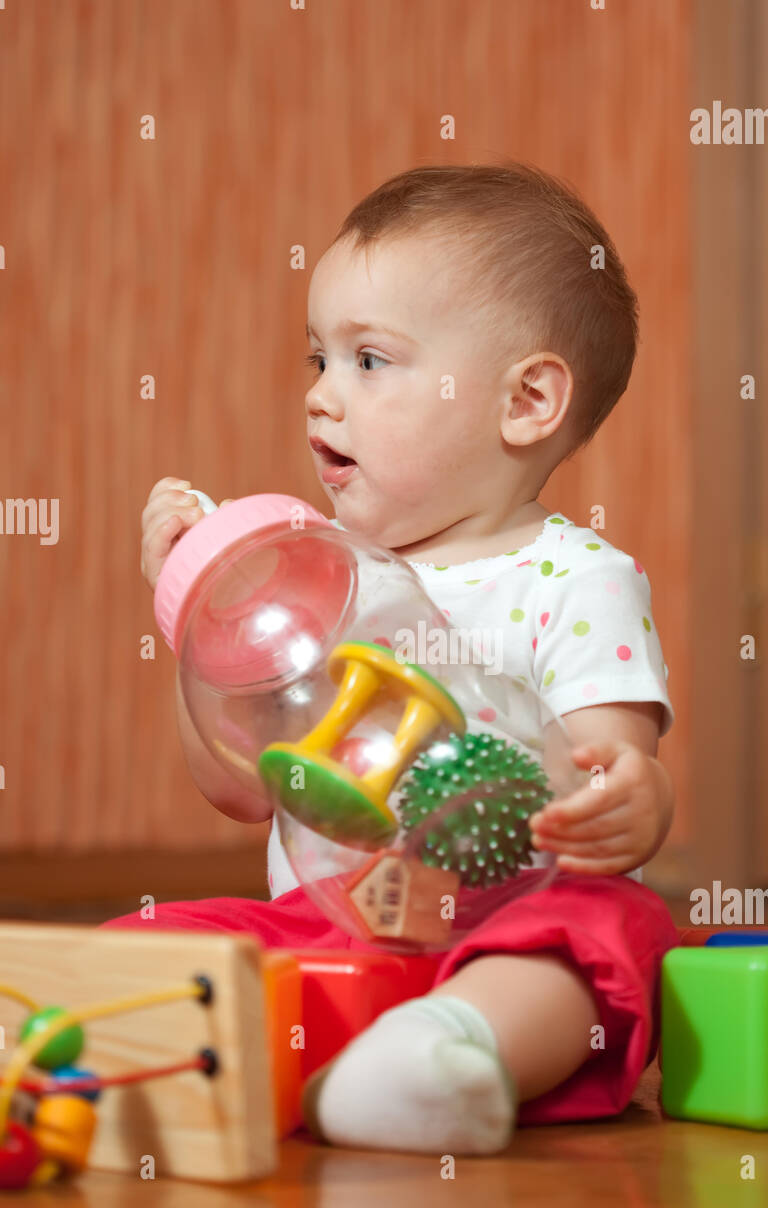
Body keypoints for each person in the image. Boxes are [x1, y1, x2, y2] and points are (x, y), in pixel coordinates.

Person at [120, 162, 678, 1156]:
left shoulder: (574, 576)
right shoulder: (307, 574)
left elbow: (601, 767)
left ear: (525, 400)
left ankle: (445, 1051)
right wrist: (203, 617)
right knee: (169, 937)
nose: (322, 399)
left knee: (614, 930)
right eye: (316, 360)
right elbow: (239, 791)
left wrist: (630, 797)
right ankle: (130, 1042)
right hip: (330, 932)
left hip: (501, 928)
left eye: (369, 361)